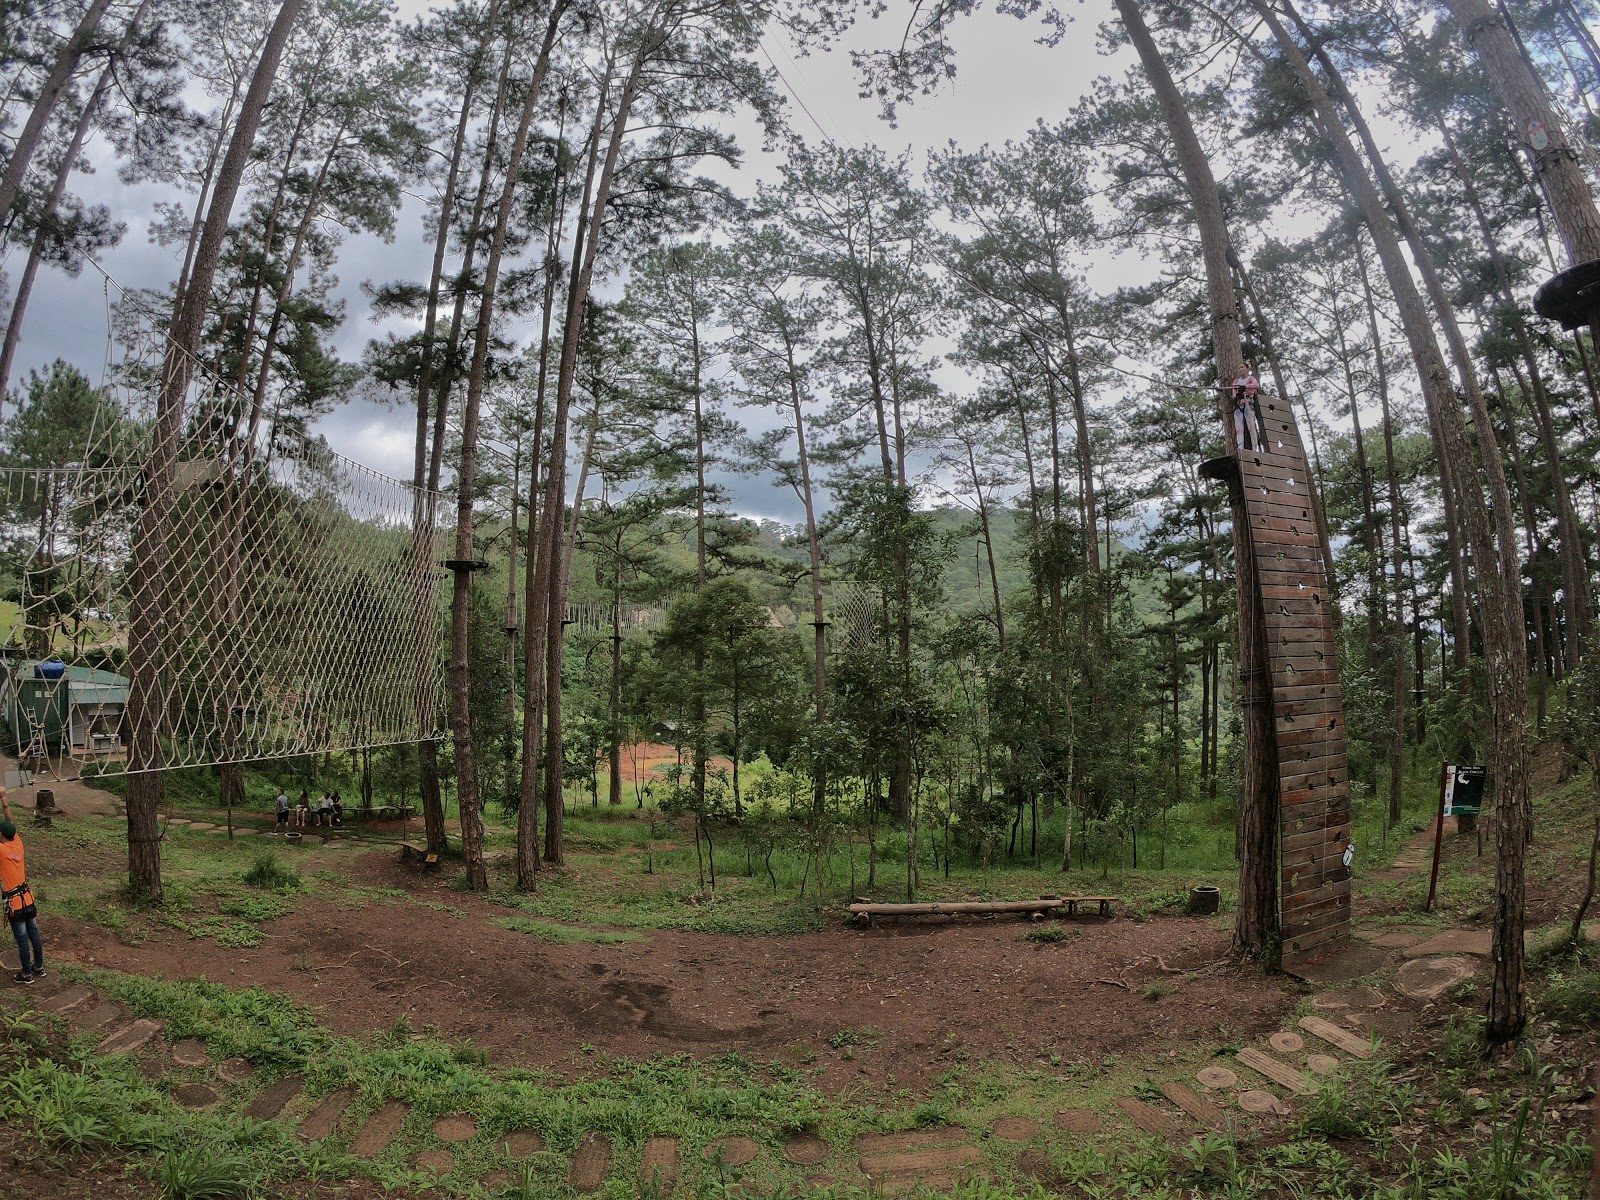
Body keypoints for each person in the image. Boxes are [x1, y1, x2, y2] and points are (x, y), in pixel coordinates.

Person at [0, 788, 43, 985]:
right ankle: (38, 967)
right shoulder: (18, 844)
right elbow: (10, 823)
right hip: (28, 898)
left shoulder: (2, 852)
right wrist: (4, 799)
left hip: (16, 903)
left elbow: (9, 825)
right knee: (34, 933)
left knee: (22, 938)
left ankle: (26, 974)